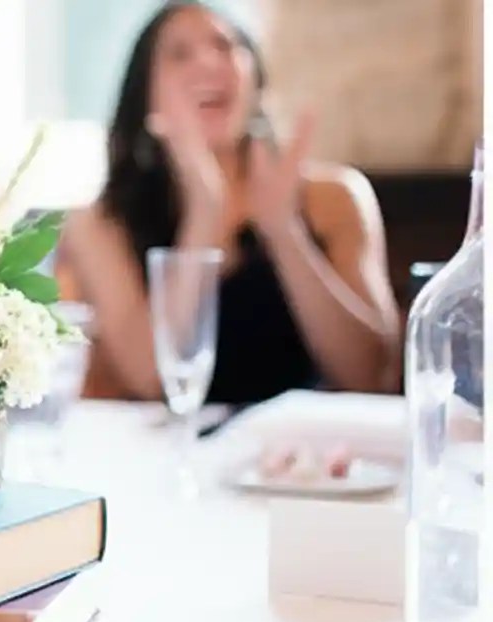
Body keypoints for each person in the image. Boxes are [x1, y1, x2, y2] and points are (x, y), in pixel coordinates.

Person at [58, 1, 401, 404]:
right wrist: (204, 212)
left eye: (225, 46)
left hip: (304, 455)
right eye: (180, 53)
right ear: (146, 101)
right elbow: (149, 377)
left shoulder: (335, 196)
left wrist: (285, 233)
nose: (209, 62)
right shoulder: (100, 223)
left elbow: (376, 376)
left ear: (255, 79)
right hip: (168, 454)